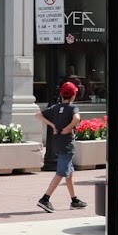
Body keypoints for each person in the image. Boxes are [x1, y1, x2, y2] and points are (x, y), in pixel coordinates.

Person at [37, 81, 88, 213]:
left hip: (56, 143)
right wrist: (69, 128)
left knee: (69, 173)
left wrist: (52, 125)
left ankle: (74, 200)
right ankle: (45, 199)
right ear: (73, 96)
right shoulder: (73, 108)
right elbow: (77, 118)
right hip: (67, 145)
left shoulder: (55, 108)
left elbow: (38, 115)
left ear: (61, 95)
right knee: (61, 172)